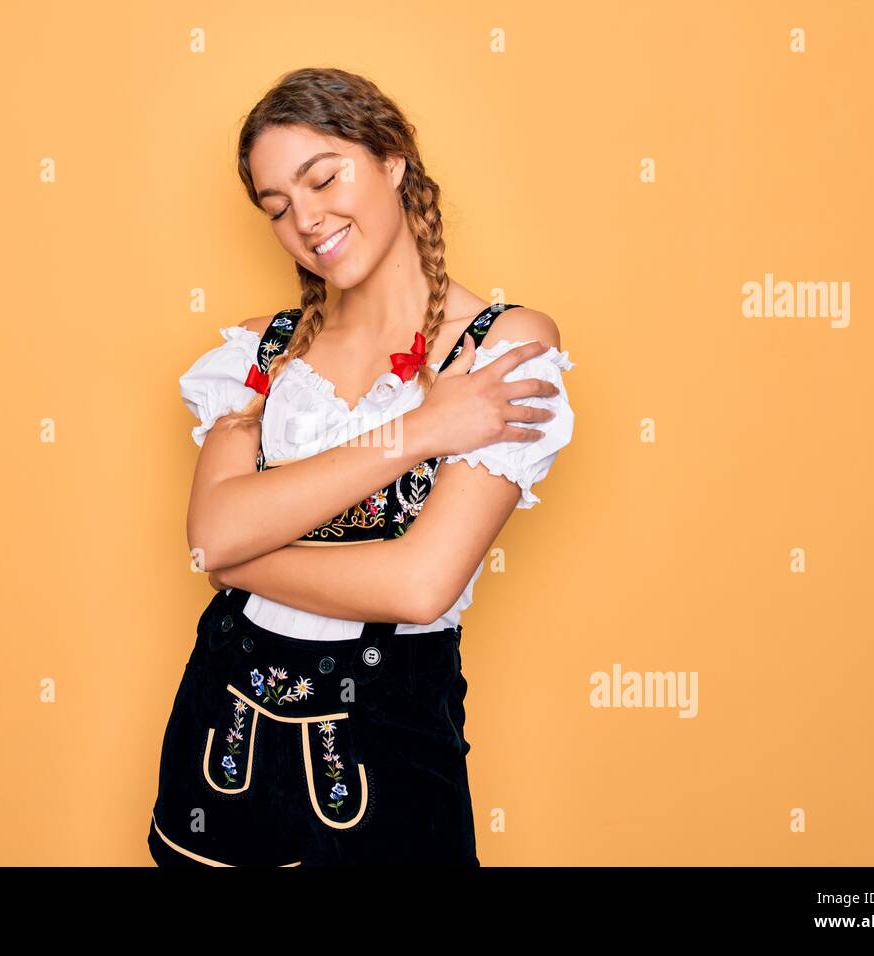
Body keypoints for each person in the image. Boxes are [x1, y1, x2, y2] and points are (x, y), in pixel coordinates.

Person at [147, 67, 577, 867]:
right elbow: (212, 538)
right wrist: (420, 429)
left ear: (393, 160)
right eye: (277, 207)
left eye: (323, 178)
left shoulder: (503, 348)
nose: (306, 220)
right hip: (222, 739)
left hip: (390, 743)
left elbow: (419, 586)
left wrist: (243, 553)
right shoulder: (258, 352)